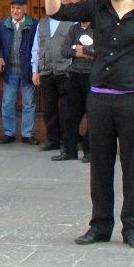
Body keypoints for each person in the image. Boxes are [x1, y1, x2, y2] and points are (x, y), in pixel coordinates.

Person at [45, 0, 134, 249]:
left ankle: (132, 228)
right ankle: (100, 225)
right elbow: (55, 10)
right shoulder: (95, 8)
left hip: (132, 100)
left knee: (132, 167)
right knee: (99, 165)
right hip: (99, 98)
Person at [0, 0, 39, 145]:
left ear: (25, 8)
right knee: (7, 103)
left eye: (19, 8)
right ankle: (9, 133)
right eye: (13, 8)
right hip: (10, 71)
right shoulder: (4, 25)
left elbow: (39, 47)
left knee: (29, 103)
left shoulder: (34, 25)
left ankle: (27, 134)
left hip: (27, 71)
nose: (15, 11)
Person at [31, 2, 74, 153]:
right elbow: (36, 48)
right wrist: (34, 70)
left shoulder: (71, 23)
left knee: (66, 109)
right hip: (46, 71)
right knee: (49, 109)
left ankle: (65, 140)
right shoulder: (41, 23)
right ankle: (52, 140)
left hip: (65, 71)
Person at [54, 18, 94, 162]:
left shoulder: (97, 28)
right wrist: (83, 54)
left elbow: (98, 52)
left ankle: (89, 152)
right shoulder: (74, 29)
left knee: (93, 116)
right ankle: (69, 151)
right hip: (74, 75)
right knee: (69, 115)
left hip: (92, 76)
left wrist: (79, 49)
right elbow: (64, 50)